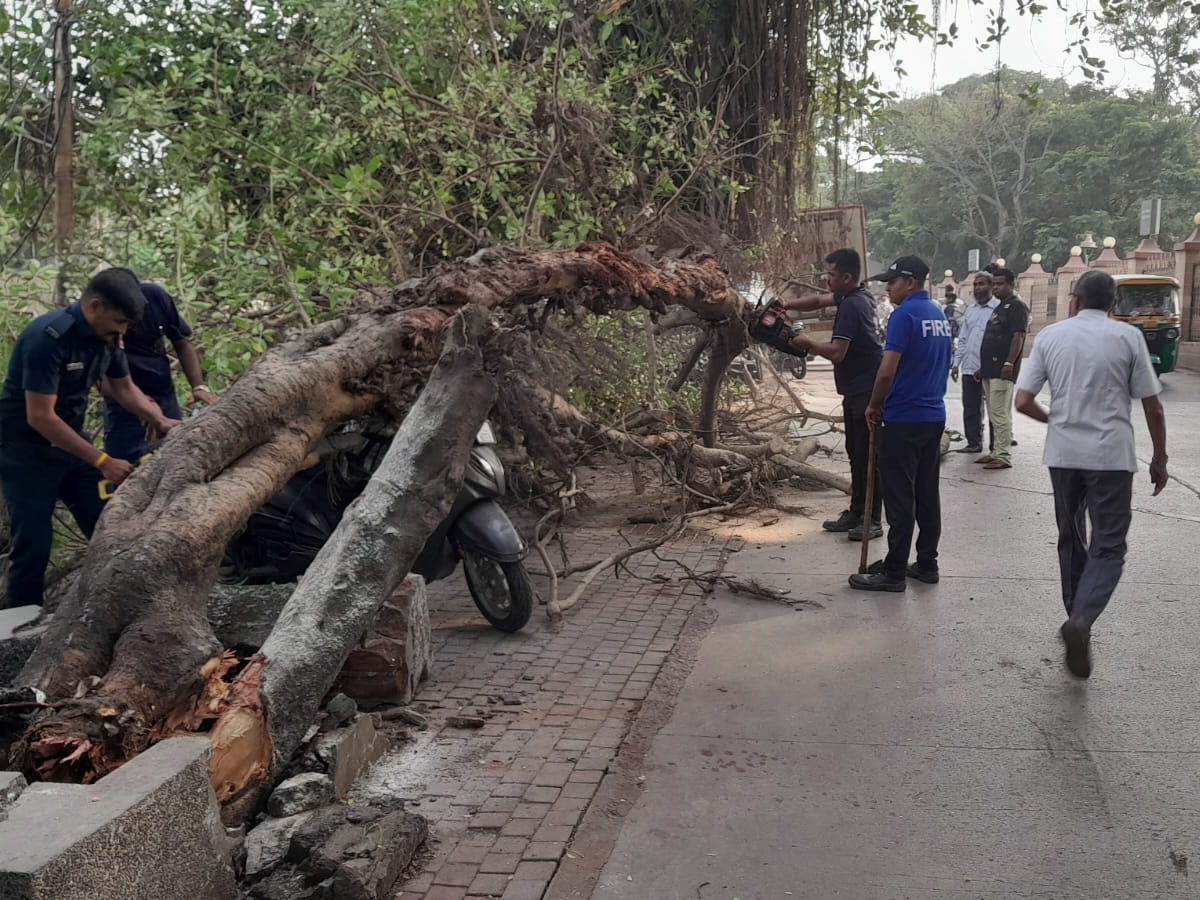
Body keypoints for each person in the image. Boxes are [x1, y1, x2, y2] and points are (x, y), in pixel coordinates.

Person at [1015, 270, 1168, 678]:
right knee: (1109, 546)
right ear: (1113, 304)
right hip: (1112, 457)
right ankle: (1082, 620)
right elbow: (1153, 407)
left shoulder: (1050, 336)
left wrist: (1056, 422)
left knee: (1071, 536)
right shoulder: (1128, 337)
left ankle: (1074, 615)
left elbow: (1023, 401)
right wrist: (1159, 459)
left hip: (1064, 455)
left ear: (1074, 300)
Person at [0, 268, 180, 609]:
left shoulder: (107, 338)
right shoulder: (47, 339)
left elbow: (124, 388)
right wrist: (101, 460)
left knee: (110, 526)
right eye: (119, 321)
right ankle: (17, 629)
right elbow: (40, 417)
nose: (122, 331)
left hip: (71, 445)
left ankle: (122, 608)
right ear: (95, 306)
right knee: (33, 546)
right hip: (26, 454)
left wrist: (160, 419)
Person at [848, 256, 952, 592]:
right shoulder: (938, 315)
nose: (888, 288)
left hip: (904, 418)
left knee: (899, 497)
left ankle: (893, 572)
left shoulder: (904, 315)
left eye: (892, 282)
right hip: (933, 416)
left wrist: (874, 404)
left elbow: (887, 370)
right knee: (927, 494)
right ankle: (927, 563)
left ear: (910, 282)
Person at [783, 248, 884, 541]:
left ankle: (871, 519)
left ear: (847, 277)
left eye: (831, 275)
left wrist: (806, 342)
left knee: (867, 457)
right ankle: (856, 511)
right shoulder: (854, 296)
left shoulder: (853, 305)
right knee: (855, 454)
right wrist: (784, 304)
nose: (826, 280)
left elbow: (838, 353)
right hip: (854, 389)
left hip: (866, 390)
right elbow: (817, 301)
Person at [103, 282, 216, 464]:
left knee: (177, 461)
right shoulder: (103, 322)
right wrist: (144, 408)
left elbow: (182, 343)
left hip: (164, 398)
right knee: (127, 469)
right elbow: (104, 384)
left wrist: (199, 387)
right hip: (123, 409)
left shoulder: (156, 297)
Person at [974, 267, 1027, 470]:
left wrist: (1009, 363)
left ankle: (1003, 455)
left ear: (1011, 285)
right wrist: (983, 368)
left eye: (1000, 284)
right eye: (994, 284)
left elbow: (1018, 336)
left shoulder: (1016, 306)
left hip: (1002, 370)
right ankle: (996, 451)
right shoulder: (1001, 306)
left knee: (999, 413)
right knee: (994, 413)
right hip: (990, 369)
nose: (995, 288)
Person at [950, 273, 998, 454]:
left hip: (991, 368)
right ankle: (974, 442)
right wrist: (956, 364)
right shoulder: (970, 310)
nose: (978, 288)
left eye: (982, 284)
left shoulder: (998, 308)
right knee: (970, 407)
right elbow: (963, 339)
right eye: (976, 284)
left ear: (991, 286)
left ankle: (997, 446)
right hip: (970, 367)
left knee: (994, 409)